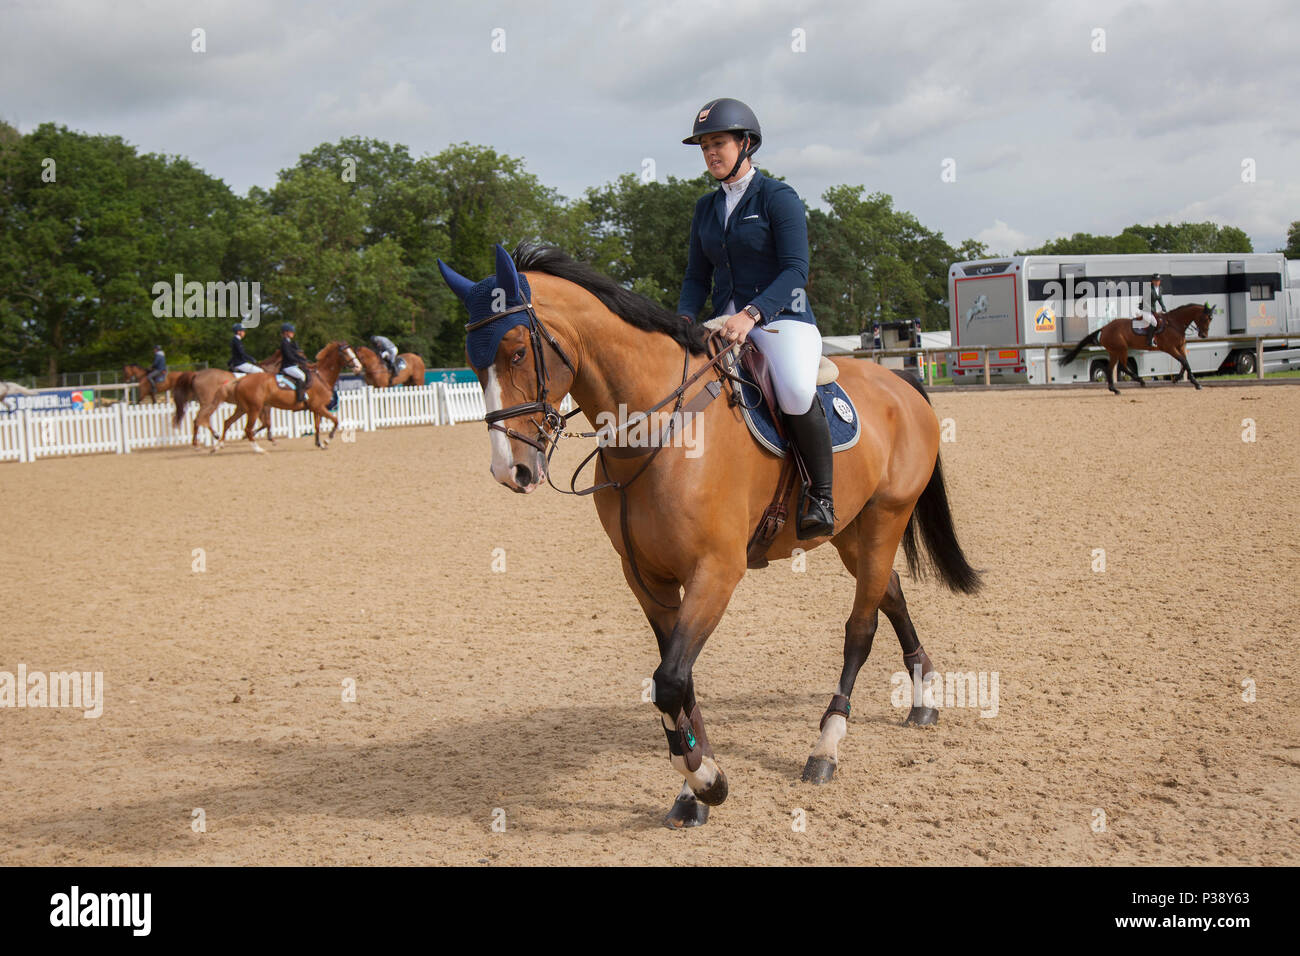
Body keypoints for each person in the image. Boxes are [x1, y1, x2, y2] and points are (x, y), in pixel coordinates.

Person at [676, 97, 834, 539]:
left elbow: (795, 270)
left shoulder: (777, 197)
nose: (711, 153)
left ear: (746, 143)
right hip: (723, 322)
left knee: (796, 389)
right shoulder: (705, 209)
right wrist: (684, 319)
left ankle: (821, 495)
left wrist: (753, 313)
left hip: (783, 319)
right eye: (704, 145)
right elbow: (695, 275)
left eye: (719, 143)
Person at [278, 323, 311, 406]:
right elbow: (289, 356)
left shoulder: (289, 342)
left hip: (292, 365)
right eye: (291, 332)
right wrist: (298, 361)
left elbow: (295, 354)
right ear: (286, 333)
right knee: (301, 376)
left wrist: (303, 360)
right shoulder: (284, 343)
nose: (293, 333)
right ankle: (300, 397)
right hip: (287, 366)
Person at [1136, 273, 1167, 347]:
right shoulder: (1148, 289)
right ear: (1152, 281)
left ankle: (1158, 339)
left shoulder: (1160, 288)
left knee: (1162, 321)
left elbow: (1160, 299)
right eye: (1156, 281)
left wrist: (1163, 307)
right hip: (1145, 309)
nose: (1157, 282)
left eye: (1158, 281)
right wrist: (1152, 310)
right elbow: (1145, 302)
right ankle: (1149, 341)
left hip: (1153, 309)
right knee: (1154, 322)